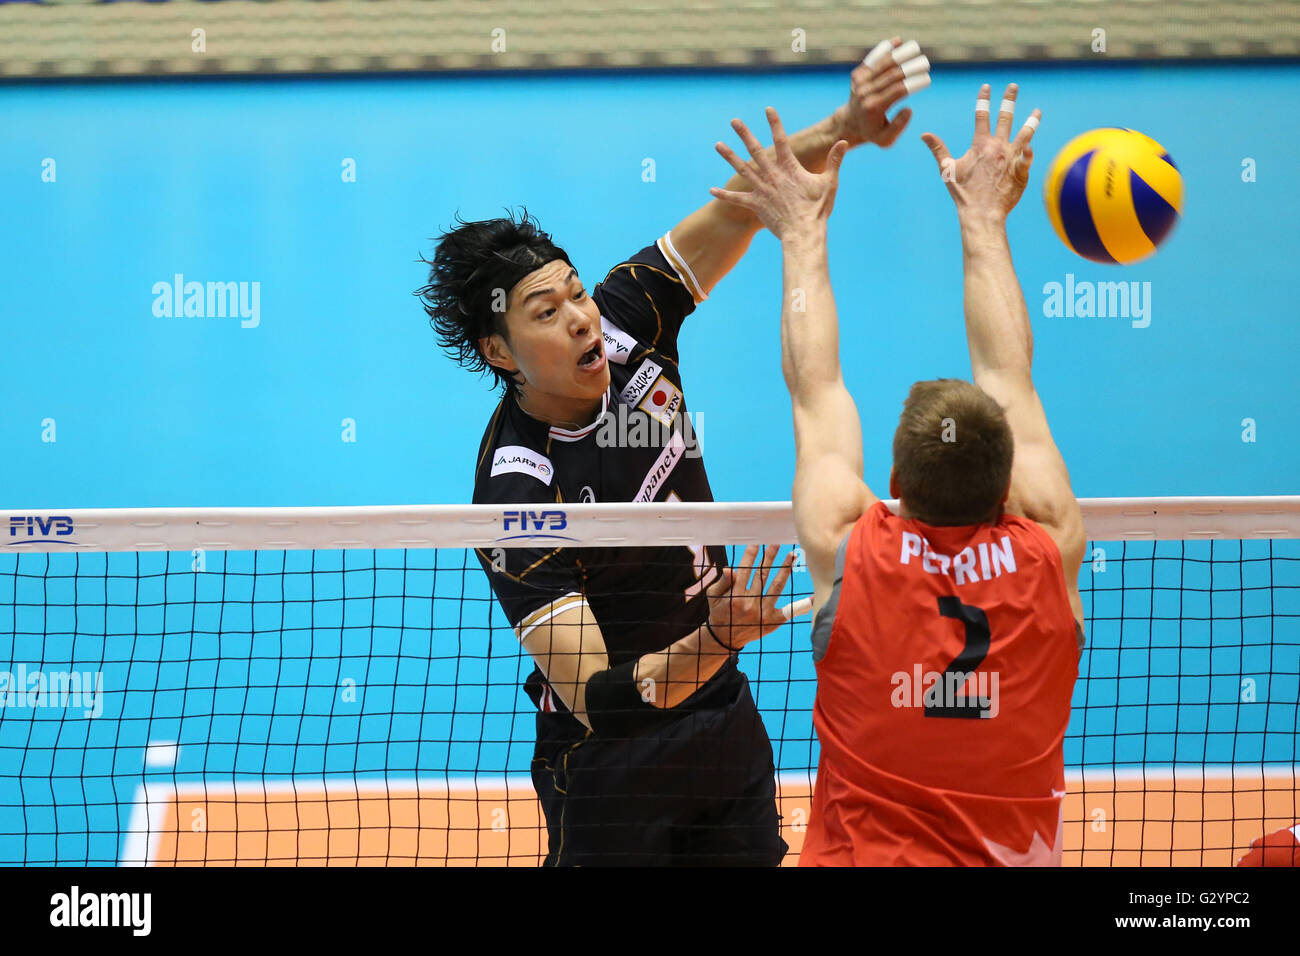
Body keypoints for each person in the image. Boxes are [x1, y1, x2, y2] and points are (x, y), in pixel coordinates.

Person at [413, 38, 933, 866]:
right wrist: (717, 640)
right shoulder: (518, 487)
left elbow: (737, 209)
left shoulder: (627, 324)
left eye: (575, 291)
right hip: (615, 767)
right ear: (501, 352)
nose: (581, 317)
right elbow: (599, 701)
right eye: (546, 313)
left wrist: (847, 126)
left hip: (723, 721)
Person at [709, 84, 1086, 865]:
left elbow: (816, 390)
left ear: (893, 481)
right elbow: (1009, 376)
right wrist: (983, 218)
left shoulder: (851, 548)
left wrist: (800, 234)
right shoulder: (1050, 546)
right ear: (1008, 483)